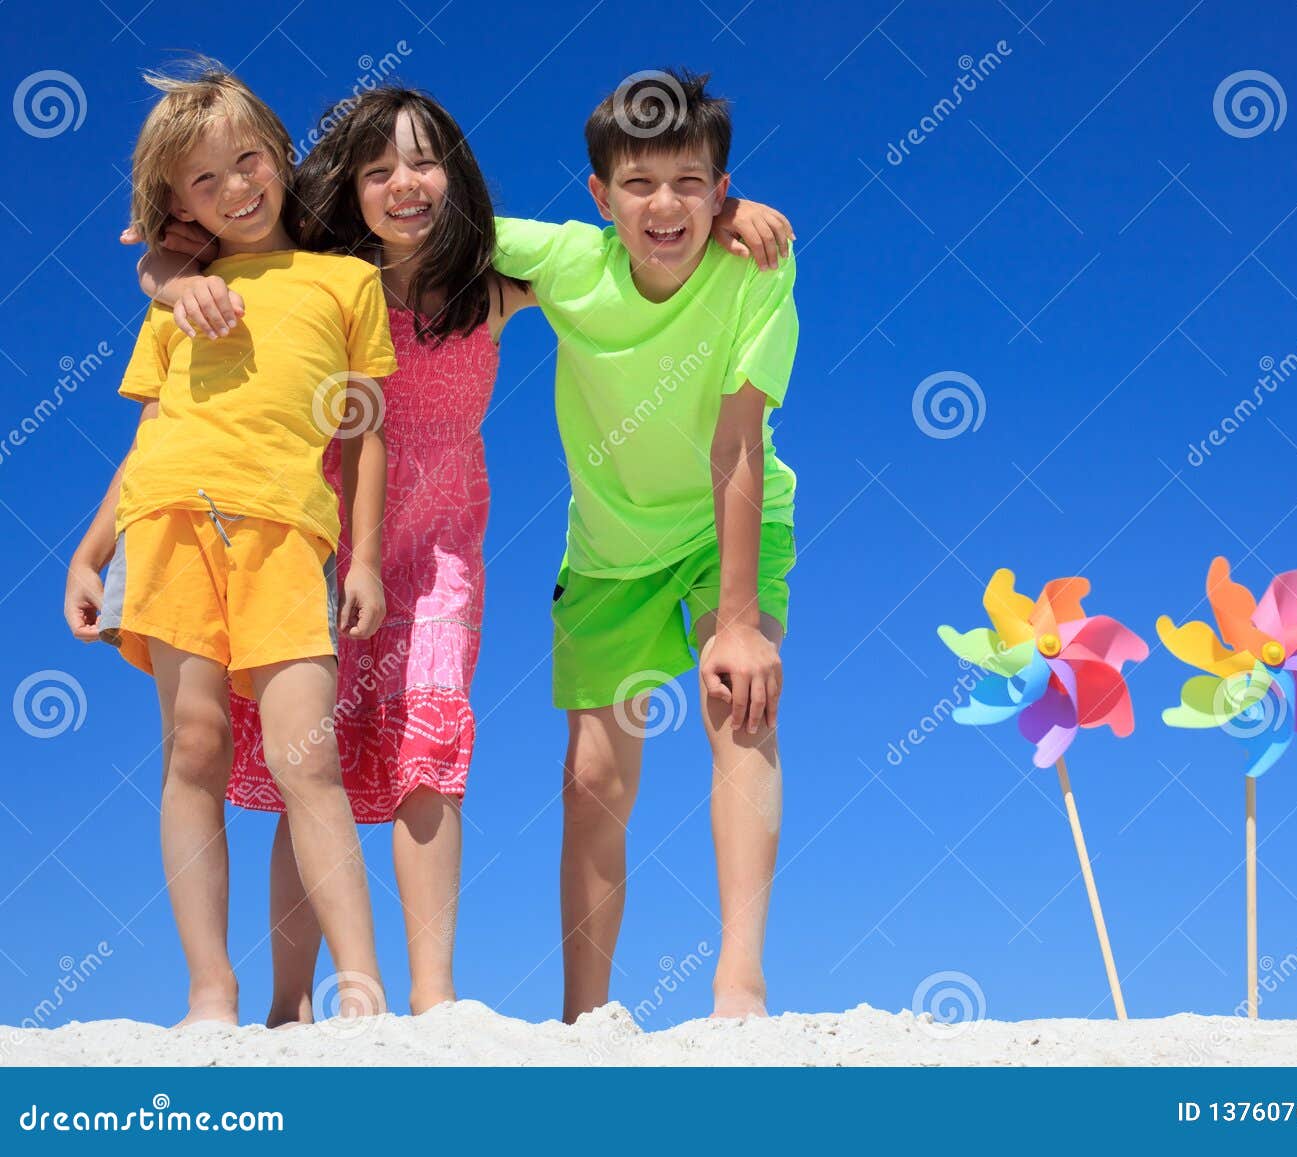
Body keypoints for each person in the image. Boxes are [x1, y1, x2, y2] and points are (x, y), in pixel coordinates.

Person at [123, 82, 794, 1023]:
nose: (406, 183)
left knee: (431, 745)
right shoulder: (320, 272)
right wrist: (166, 269)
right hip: (327, 540)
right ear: (346, 187)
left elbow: (635, 235)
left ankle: (434, 995)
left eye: (427, 161)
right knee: (309, 764)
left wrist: (733, 211)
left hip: (440, 555)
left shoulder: (493, 281)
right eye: (379, 167)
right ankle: (287, 1006)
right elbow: (201, 253)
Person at [62, 61, 392, 1025]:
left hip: (287, 529)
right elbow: (150, 432)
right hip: (166, 518)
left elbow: (365, 429)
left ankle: (362, 987)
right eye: (204, 181)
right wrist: (89, 552)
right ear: (175, 202)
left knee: (307, 756)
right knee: (194, 746)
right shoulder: (177, 294)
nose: (236, 188)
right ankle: (211, 988)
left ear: (280, 156)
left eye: (248, 161)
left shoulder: (344, 282)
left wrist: (363, 555)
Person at [492, 68, 799, 1021]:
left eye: (691, 181)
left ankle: (738, 983)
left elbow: (737, 437)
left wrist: (738, 624)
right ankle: (586, 1016)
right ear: (598, 195)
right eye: (638, 184)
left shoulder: (756, 265)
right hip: (607, 551)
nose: (664, 204)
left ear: (721, 186)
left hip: (727, 524)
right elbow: (426, 219)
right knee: (591, 778)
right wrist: (178, 262)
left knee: (738, 701)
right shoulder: (566, 260)